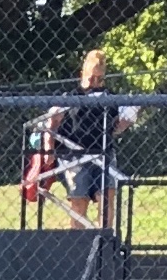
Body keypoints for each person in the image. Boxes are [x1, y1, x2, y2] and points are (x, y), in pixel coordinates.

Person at [28, 51, 125, 230]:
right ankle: (79, 242)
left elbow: (118, 126)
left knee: (107, 196)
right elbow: (52, 123)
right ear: (82, 74)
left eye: (99, 79)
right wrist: (49, 150)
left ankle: (105, 238)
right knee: (79, 201)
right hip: (73, 155)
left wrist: (125, 122)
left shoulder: (110, 98)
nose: (95, 83)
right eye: (91, 78)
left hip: (103, 153)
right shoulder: (70, 97)